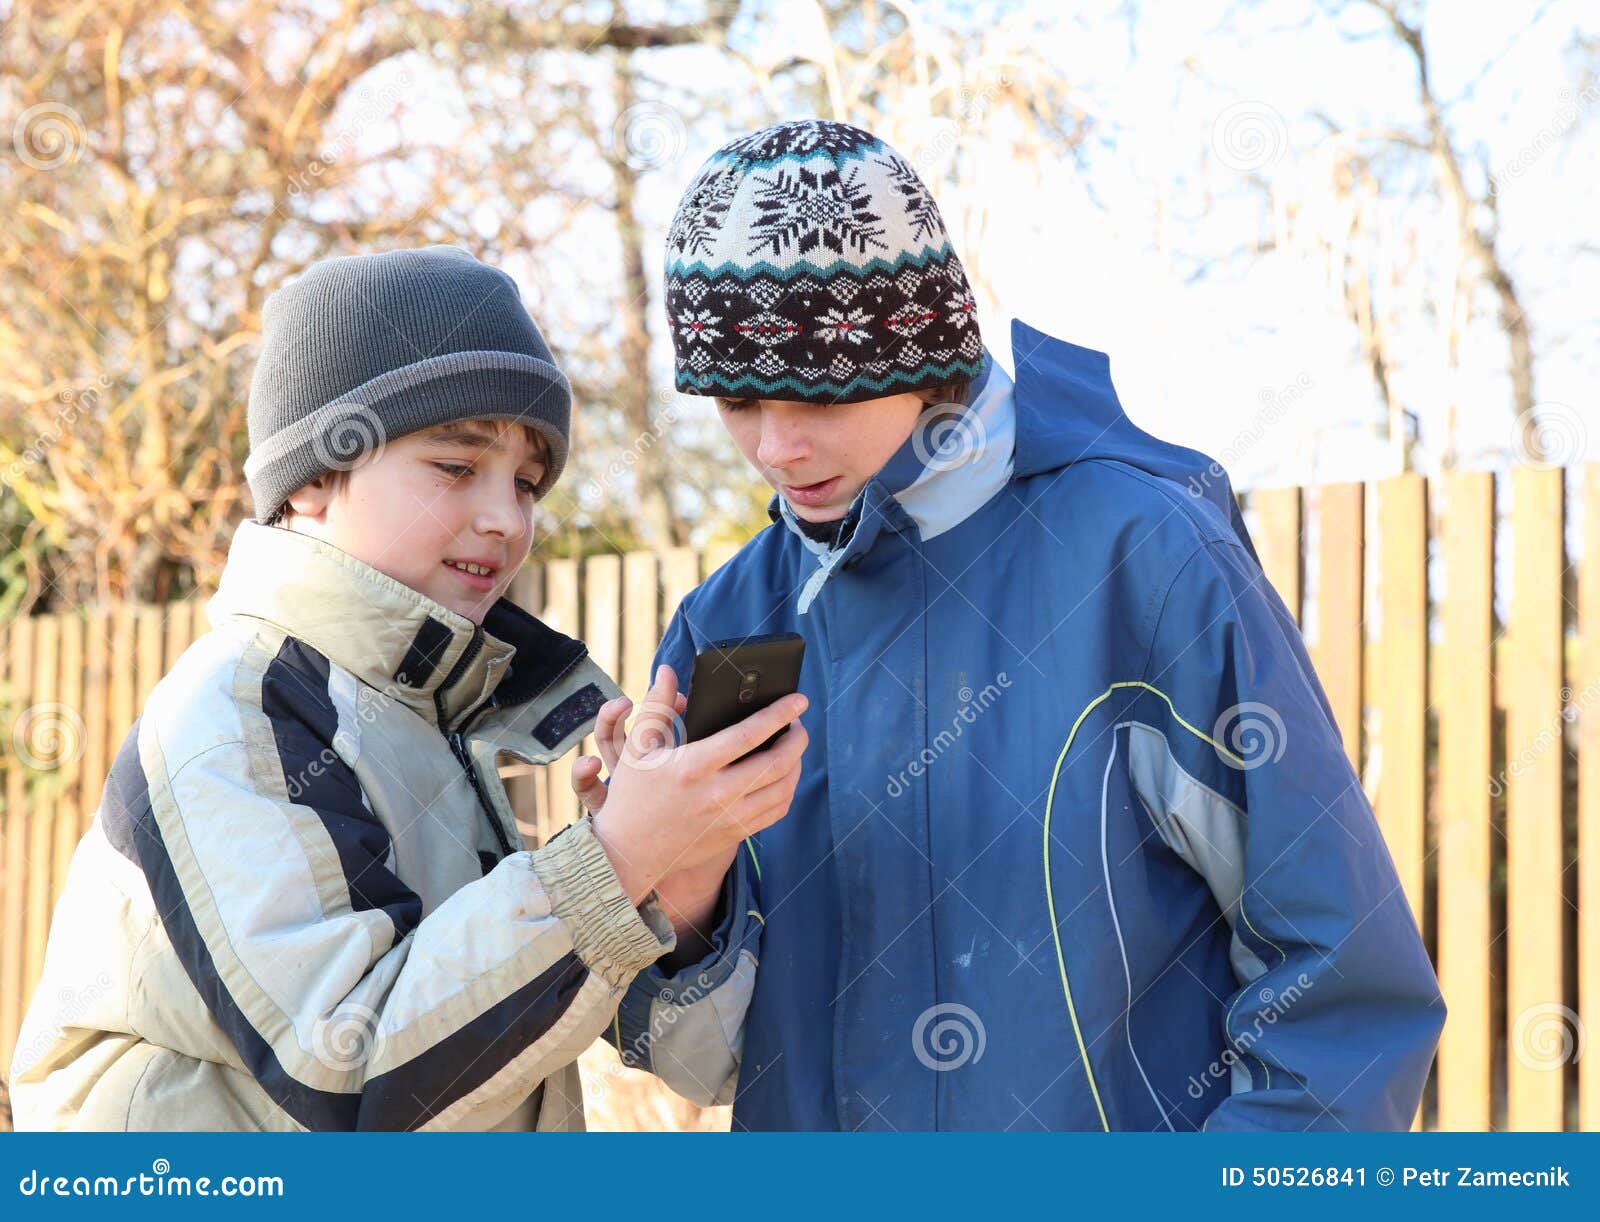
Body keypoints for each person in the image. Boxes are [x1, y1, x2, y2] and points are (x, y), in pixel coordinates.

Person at [578, 120, 1445, 1131]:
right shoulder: (729, 623)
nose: (775, 446)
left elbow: (1343, 995)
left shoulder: (1142, 557)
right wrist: (678, 903)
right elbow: (711, 1065)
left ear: (919, 346)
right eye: (734, 400)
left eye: (812, 390)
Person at [9, 246, 807, 1131]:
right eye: (455, 468)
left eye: (528, 482)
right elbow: (351, 1074)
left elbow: (711, 1069)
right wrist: (611, 860)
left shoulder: (436, 720)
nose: (506, 517)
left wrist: (680, 866)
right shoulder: (239, 713)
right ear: (313, 478)